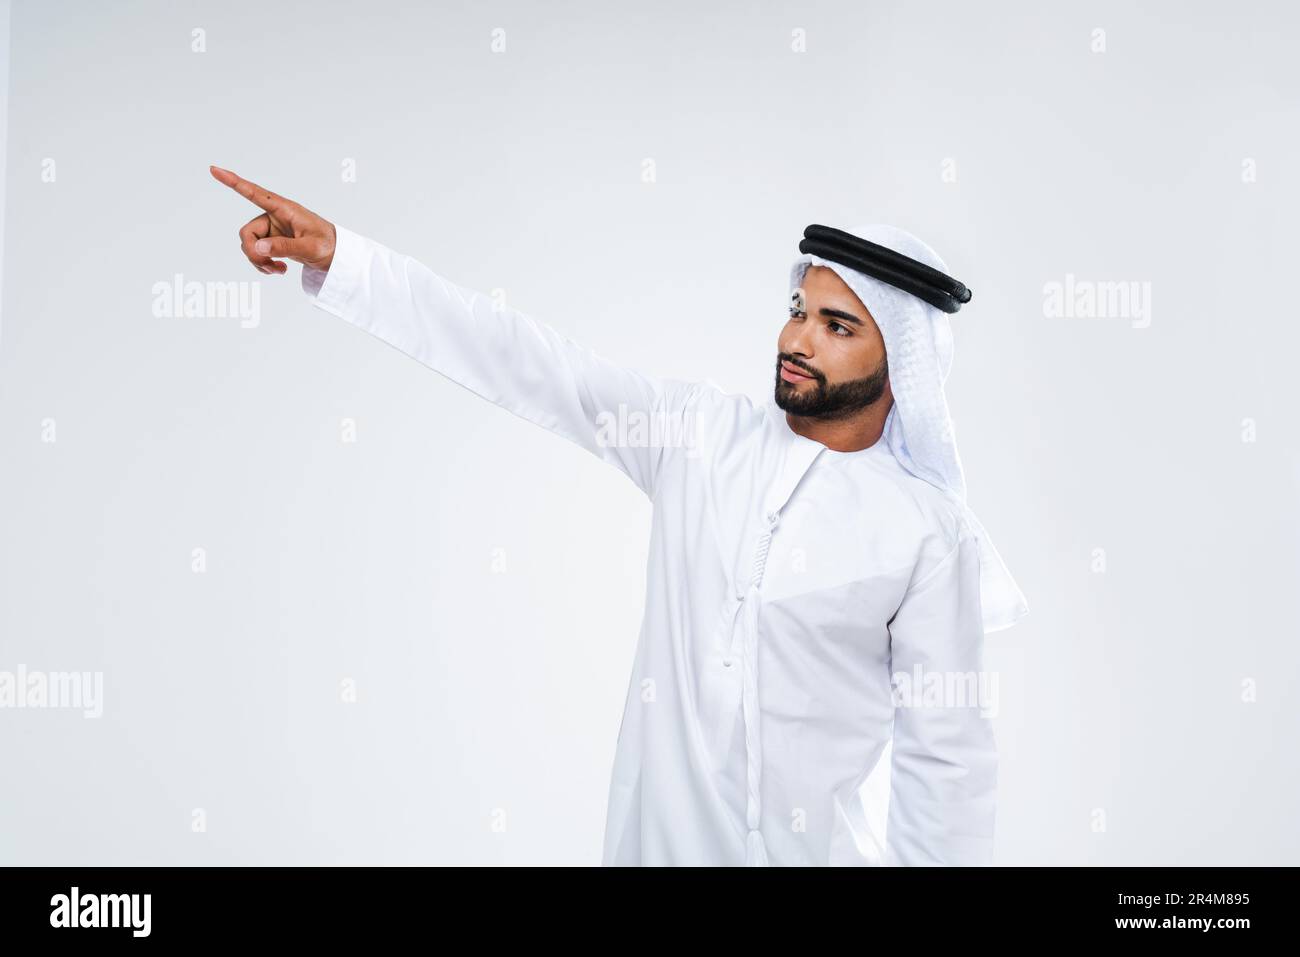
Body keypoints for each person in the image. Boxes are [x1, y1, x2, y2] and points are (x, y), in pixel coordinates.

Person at [209, 165, 1029, 866]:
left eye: (836, 324)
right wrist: (347, 261)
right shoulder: (699, 438)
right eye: (796, 307)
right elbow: (528, 360)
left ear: (900, 364)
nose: (796, 337)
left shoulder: (928, 533)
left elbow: (945, 766)